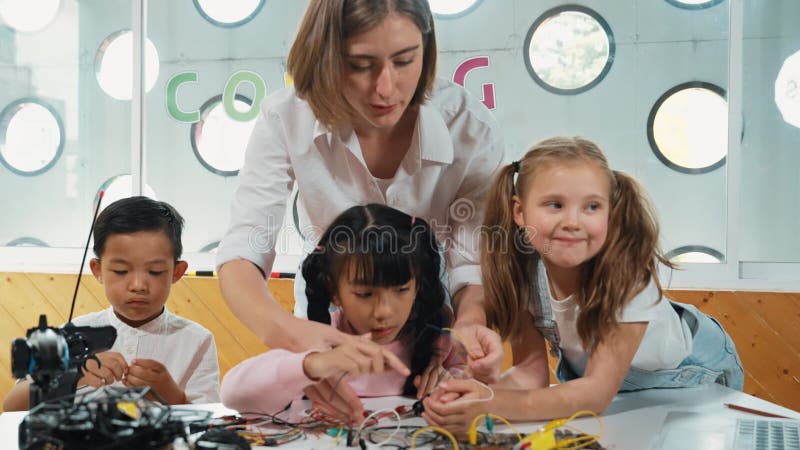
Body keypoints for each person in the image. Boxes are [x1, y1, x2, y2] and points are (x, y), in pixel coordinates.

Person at [215, 0, 505, 386]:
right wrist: (289, 335)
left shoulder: (468, 126)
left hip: (432, 335)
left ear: (427, 49)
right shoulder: (285, 117)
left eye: (404, 61)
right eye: (360, 65)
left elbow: (472, 261)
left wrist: (469, 323)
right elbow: (244, 248)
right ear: (324, 56)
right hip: (324, 324)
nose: (385, 88)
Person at [422, 137, 744, 431]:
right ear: (519, 211)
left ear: (610, 211)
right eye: (555, 205)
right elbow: (530, 374)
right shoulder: (523, 273)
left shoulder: (627, 277)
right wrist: (473, 396)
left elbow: (594, 395)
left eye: (592, 206)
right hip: (611, 388)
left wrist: (492, 405)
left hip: (691, 375)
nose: (573, 222)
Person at [221, 204, 467, 421]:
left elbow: (472, 385)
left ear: (417, 285)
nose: (384, 311)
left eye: (402, 289)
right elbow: (234, 395)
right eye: (365, 294)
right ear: (334, 291)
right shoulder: (314, 341)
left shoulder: (439, 338)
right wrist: (311, 365)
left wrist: (452, 385)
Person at [3, 196, 220, 411]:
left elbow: (213, 425)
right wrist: (73, 375)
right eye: (121, 271)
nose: (138, 285)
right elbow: (12, 407)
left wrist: (173, 394)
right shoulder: (70, 335)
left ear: (177, 272)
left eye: (155, 272)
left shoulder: (197, 340)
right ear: (98, 270)